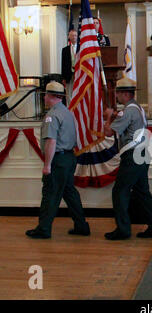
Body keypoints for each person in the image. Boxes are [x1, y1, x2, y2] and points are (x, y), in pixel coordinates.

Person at [26, 81, 90, 239]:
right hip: (69, 158)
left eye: (46, 95)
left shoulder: (52, 116)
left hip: (58, 160)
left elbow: (51, 141)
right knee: (69, 193)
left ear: (50, 96)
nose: (44, 98)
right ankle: (81, 225)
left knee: (50, 194)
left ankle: (43, 229)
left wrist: (47, 165)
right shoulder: (67, 113)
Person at [103, 77, 152, 240]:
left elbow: (108, 132)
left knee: (119, 191)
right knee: (142, 192)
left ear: (124, 94)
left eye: (117, 93)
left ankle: (123, 229)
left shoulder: (127, 111)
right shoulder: (138, 108)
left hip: (132, 156)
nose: (116, 96)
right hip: (142, 153)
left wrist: (109, 116)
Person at [61, 29, 78, 105]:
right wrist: (63, 77)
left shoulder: (81, 48)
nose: (74, 37)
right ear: (69, 37)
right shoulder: (65, 50)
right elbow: (63, 64)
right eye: (72, 35)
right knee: (69, 92)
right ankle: (70, 108)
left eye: (75, 35)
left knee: (78, 91)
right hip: (69, 74)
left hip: (78, 74)